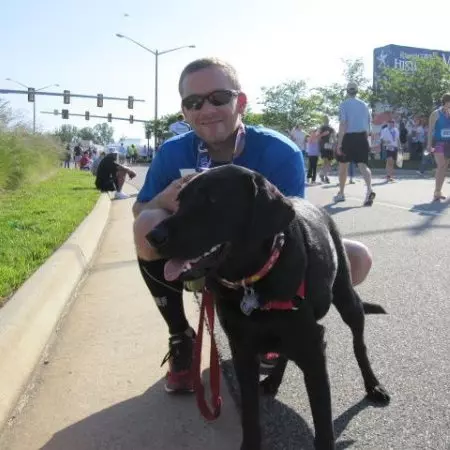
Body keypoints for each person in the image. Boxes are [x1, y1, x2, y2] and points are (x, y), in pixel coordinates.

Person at [132, 58, 374, 394]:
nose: (206, 108)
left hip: (258, 264)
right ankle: (180, 337)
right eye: (193, 102)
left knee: (357, 257)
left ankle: (277, 328)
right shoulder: (172, 152)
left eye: (218, 97)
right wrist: (161, 201)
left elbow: (294, 236)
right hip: (193, 257)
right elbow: (139, 210)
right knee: (146, 223)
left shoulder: (280, 152)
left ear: (240, 102)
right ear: (184, 112)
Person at [335, 82, 375, 206]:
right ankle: (369, 190)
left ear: (347, 91)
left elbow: (343, 124)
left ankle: (341, 193)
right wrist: (368, 141)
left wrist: (339, 143)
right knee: (363, 165)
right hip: (362, 137)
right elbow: (369, 126)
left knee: (343, 166)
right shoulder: (364, 105)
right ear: (357, 91)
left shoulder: (344, 104)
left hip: (348, 137)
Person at [426, 92, 450, 201]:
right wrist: (429, 144)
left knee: (444, 167)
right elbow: (430, 130)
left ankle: (438, 191)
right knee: (441, 165)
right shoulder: (435, 113)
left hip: (449, 143)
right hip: (438, 143)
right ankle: (436, 191)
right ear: (446, 102)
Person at [318, 116, 335, 183]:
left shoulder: (331, 128)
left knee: (329, 162)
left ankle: (322, 174)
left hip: (330, 147)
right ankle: (326, 177)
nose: (326, 120)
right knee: (325, 161)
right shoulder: (321, 128)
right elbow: (317, 137)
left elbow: (334, 137)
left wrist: (336, 145)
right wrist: (323, 134)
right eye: (325, 119)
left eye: (327, 119)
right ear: (323, 120)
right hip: (323, 146)